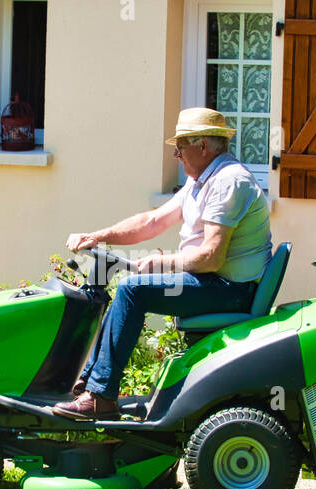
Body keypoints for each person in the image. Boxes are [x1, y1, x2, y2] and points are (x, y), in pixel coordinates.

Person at [54, 107, 273, 419]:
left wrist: (163, 263)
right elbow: (153, 221)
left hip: (229, 289)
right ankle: (91, 386)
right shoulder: (202, 180)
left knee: (132, 290)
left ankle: (100, 397)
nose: (176, 156)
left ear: (203, 147)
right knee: (130, 289)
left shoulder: (228, 182)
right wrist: (97, 236)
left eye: (180, 147)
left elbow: (211, 257)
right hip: (215, 282)